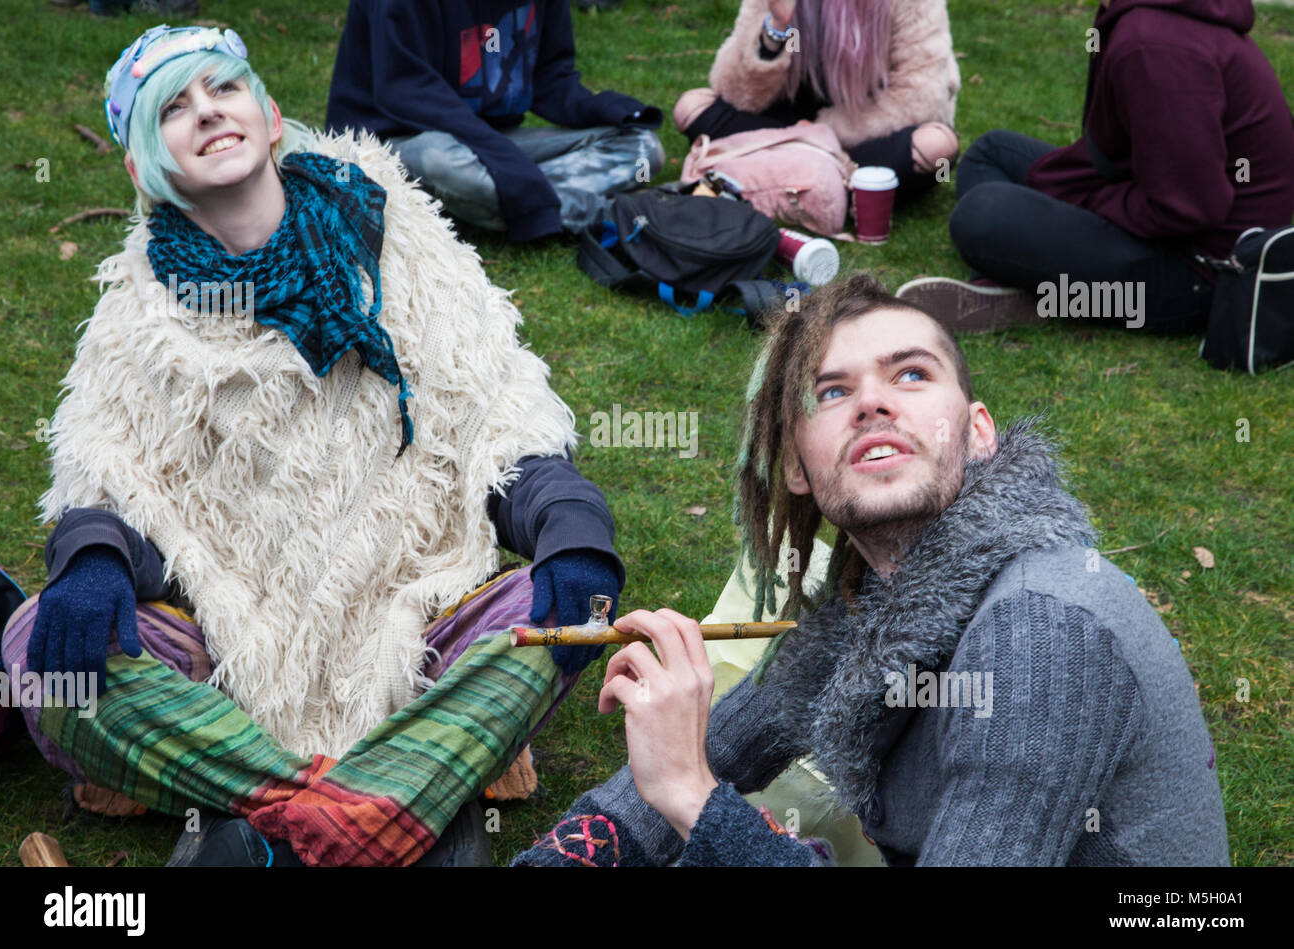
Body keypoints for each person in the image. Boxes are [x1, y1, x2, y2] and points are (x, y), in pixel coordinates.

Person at [0, 24, 625, 867]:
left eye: (223, 88)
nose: (208, 112)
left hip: (413, 626)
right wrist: (96, 562)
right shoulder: (136, 316)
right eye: (173, 109)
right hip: (227, 662)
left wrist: (570, 531)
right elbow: (111, 483)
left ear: (268, 112)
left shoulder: (397, 233)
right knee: (40, 648)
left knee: (561, 615)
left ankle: (265, 819)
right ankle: (361, 809)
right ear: (143, 165)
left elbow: (503, 418)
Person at [513, 273, 1229, 866]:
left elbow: (686, 780)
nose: (873, 403)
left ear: (980, 434)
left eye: (911, 374)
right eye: (832, 392)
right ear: (797, 465)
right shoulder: (863, 603)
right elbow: (718, 749)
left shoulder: (1041, 632)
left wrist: (691, 796)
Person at [898, 0, 1294, 333]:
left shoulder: (1153, 43)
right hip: (1159, 206)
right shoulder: (1141, 16)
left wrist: (1090, 201)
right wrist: (1079, 192)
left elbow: (1192, 206)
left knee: (981, 214)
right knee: (992, 151)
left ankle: (1049, 289)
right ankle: (1047, 284)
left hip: (1207, 273)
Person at [325, 0, 665, 242]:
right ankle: (598, 212)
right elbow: (405, 90)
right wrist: (503, 159)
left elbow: (551, 78)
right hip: (396, 142)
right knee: (442, 161)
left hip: (488, 137)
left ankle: (512, 203)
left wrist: (607, 110)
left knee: (642, 149)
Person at [673, 0, 961, 202]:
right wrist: (777, 28)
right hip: (793, 115)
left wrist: (821, 133)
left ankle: (767, 173)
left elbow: (918, 98)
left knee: (936, 148)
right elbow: (738, 93)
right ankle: (831, 187)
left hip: (869, 126)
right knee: (692, 108)